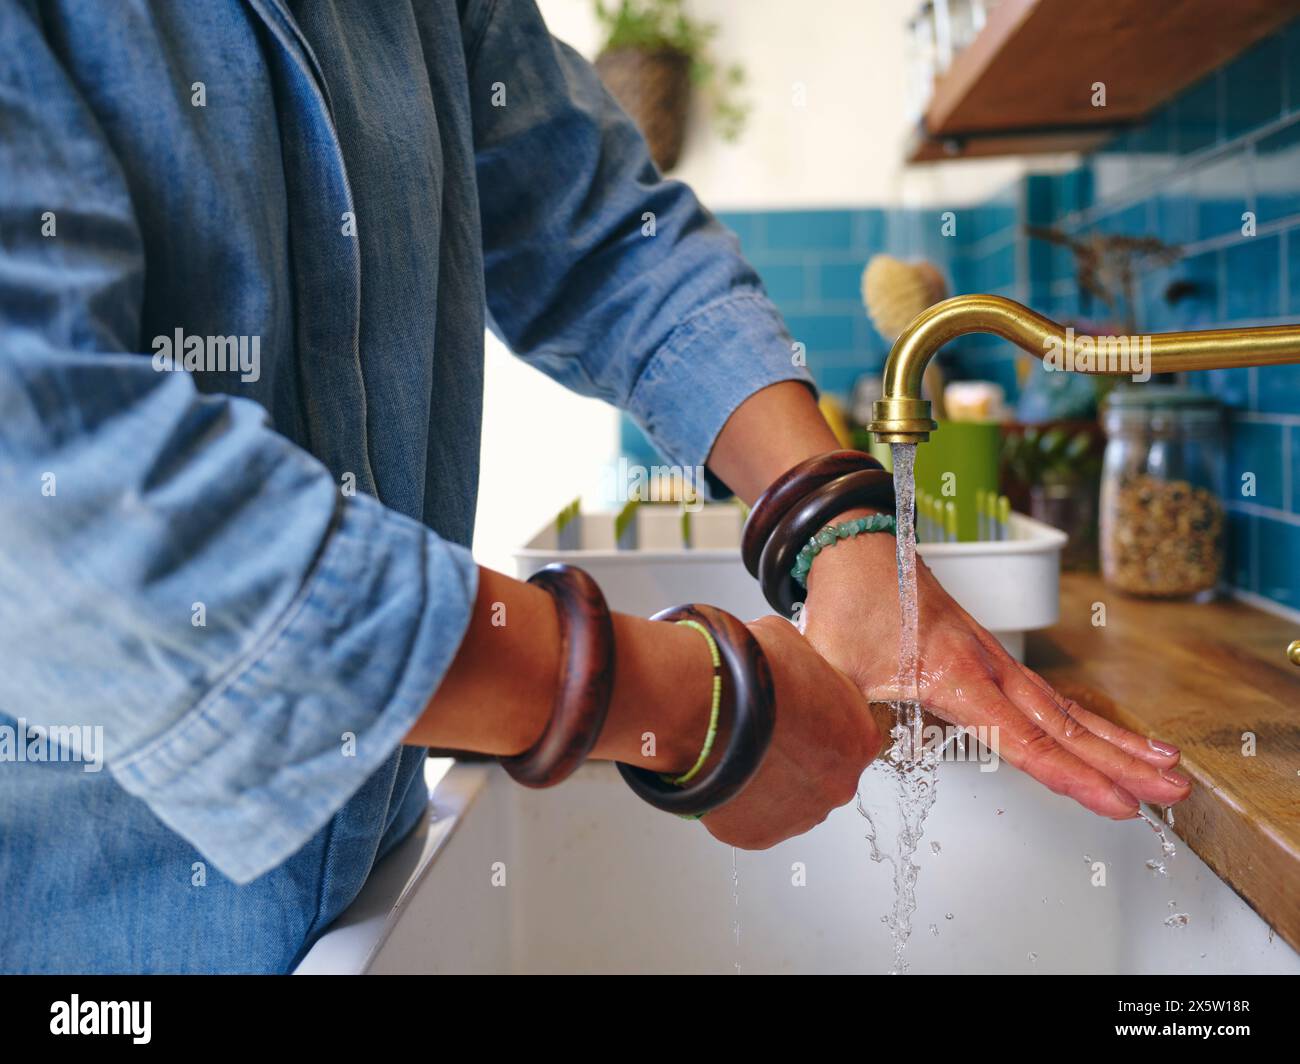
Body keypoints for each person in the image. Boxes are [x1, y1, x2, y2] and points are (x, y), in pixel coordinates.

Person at [0, 0, 1191, 974]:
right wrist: (685, 700)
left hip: (364, 883)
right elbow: (55, 482)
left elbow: (600, 232)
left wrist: (836, 518)